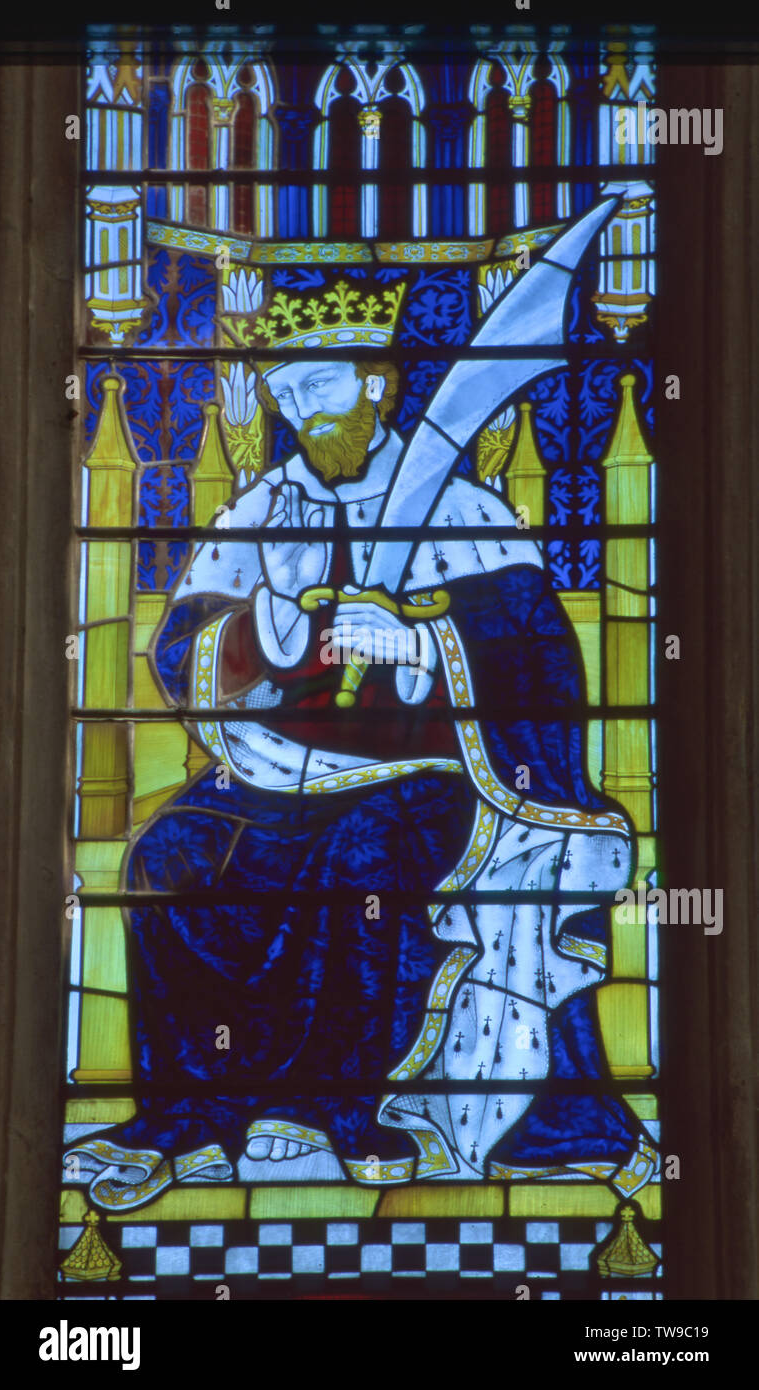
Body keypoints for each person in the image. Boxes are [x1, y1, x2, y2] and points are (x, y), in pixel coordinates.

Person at [66, 214, 657, 1212]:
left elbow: (539, 658)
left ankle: (351, 1106)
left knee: (365, 855)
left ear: (377, 386)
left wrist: (424, 642)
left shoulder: (461, 508)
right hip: (269, 779)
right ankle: (192, 1112)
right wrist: (265, 639)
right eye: (286, 393)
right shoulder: (261, 512)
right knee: (161, 860)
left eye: (320, 386)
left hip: (430, 785)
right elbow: (181, 649)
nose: (300, 412)